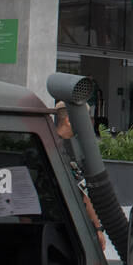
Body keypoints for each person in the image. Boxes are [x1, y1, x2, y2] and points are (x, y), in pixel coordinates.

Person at [53, 101, 106, 251]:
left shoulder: (50, 142)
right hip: (70, 225)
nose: (87, 122)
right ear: (69, 121)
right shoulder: (68, 149)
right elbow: (83, 192)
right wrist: (97, 228)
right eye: (83, 118)